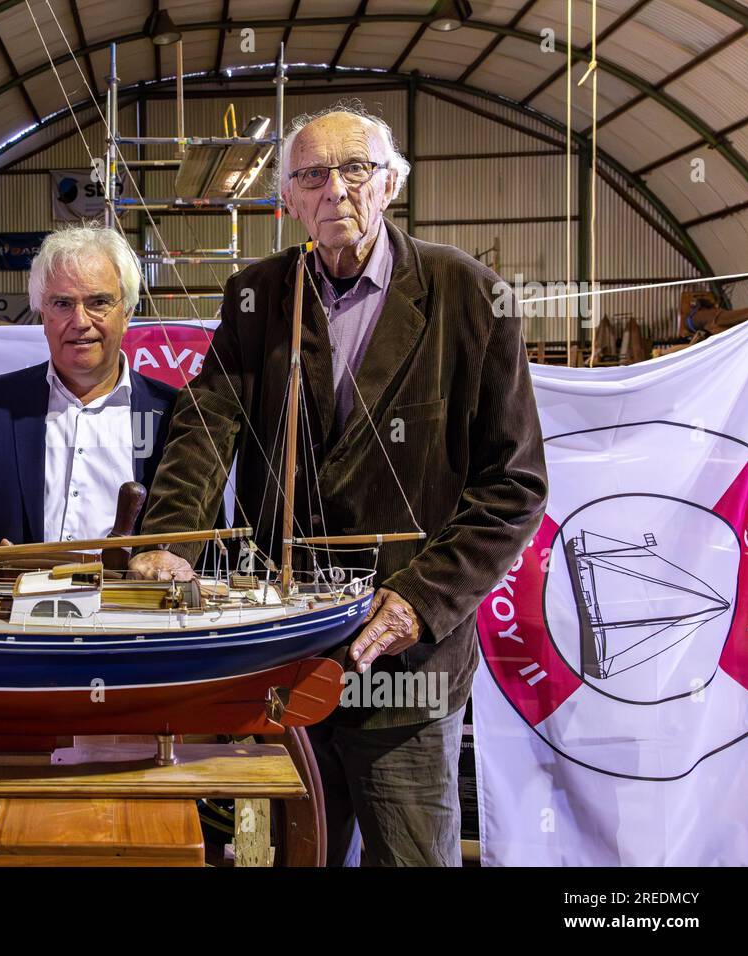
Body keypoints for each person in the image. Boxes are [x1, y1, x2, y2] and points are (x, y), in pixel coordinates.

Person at [128, 106, 548, 866]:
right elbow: (205, 423)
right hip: (281, 658)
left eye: (355, 169)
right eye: (313, 175)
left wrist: (422, 600)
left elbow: (513, 483)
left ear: (390, 183)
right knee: (279, 855)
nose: (336, 190)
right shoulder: (257, 295)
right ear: (288, 199)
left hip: (406, 674)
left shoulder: (469, 295)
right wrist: (168, 541)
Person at [0, 225, 178, 579]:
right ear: (42, 314)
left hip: (131, 622)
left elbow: (198, 543)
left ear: (126, 313)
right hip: (10, 623)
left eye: (98, 302)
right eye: (62, 304)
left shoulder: (172, 415)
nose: (80, 322)